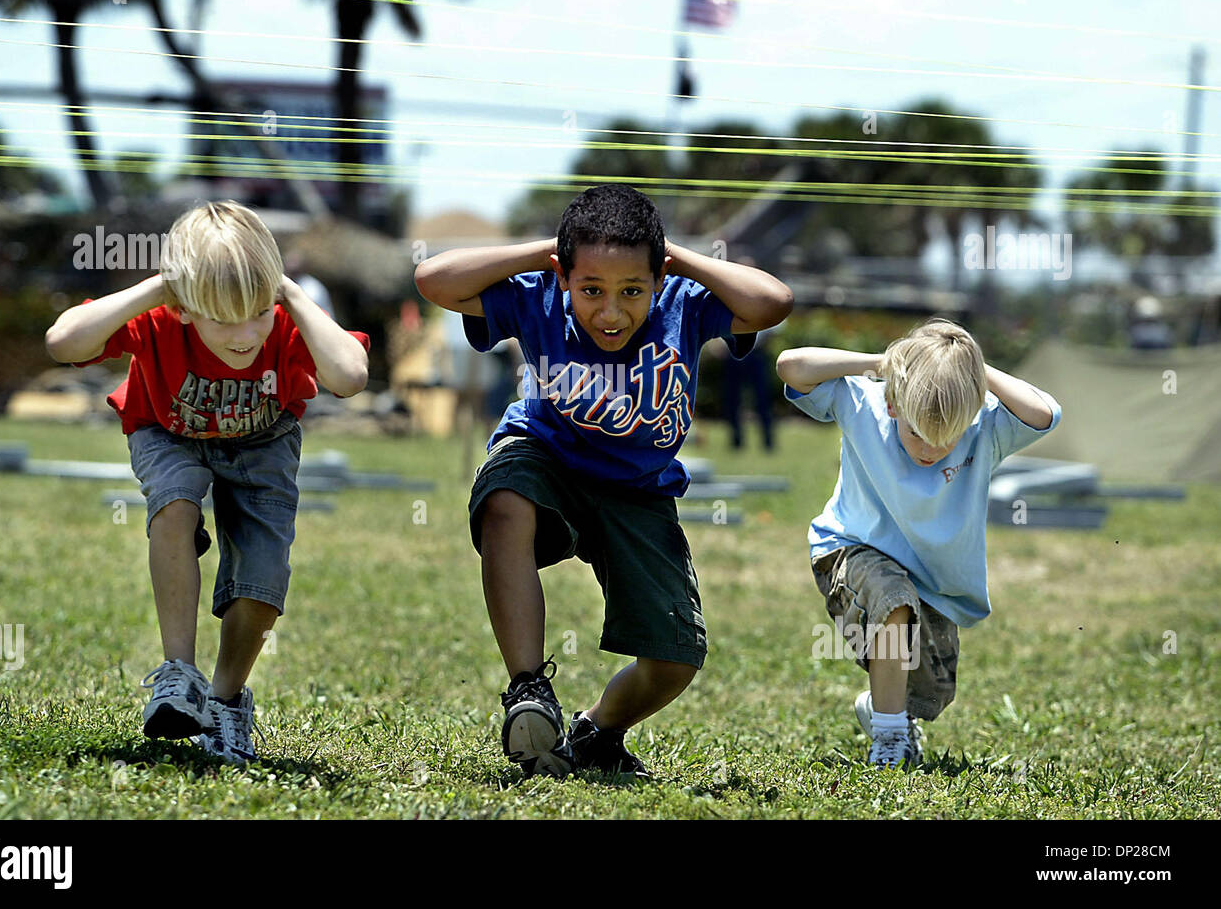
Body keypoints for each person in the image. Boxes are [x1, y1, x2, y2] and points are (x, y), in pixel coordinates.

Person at [415, 184, 793, 777]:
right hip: (547, 457)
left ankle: (596, 732)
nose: (610, 312)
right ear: (564, 276)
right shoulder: (538, 293)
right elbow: (433, 279)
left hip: (639, 490)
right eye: (591, 289)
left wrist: (675, 258)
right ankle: (528, 690)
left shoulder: (684, 303)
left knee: (674, 660)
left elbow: (773, 302)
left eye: (632, 290)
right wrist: (552, 252)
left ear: (659, 280)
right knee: (505, 499)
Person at [44, 201, 369, 763]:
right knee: (174, 506)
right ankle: (178, 674)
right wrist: (158, 289)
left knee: (262, 582)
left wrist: (290, 295)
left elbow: (350, 376)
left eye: (258, 313)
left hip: (264, 444)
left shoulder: (285, 317)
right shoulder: (161, 317)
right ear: (185, 307)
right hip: (169, 434)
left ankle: (223, 700)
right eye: (222, 318)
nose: (245, 336)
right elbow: (65, 341)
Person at [777, 320, 1060, 768]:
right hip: (849, 550)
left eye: (947, 437)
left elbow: (1042, 412)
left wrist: (971, 372)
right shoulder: (864, 402)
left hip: (934, 579)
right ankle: (889, 743)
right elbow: (791, 365)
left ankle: (886, 712)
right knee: (894, 601)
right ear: (893, 404)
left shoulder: (984, 426)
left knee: (929, 690)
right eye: (918, 434)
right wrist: (884, 363)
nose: (932, 448)